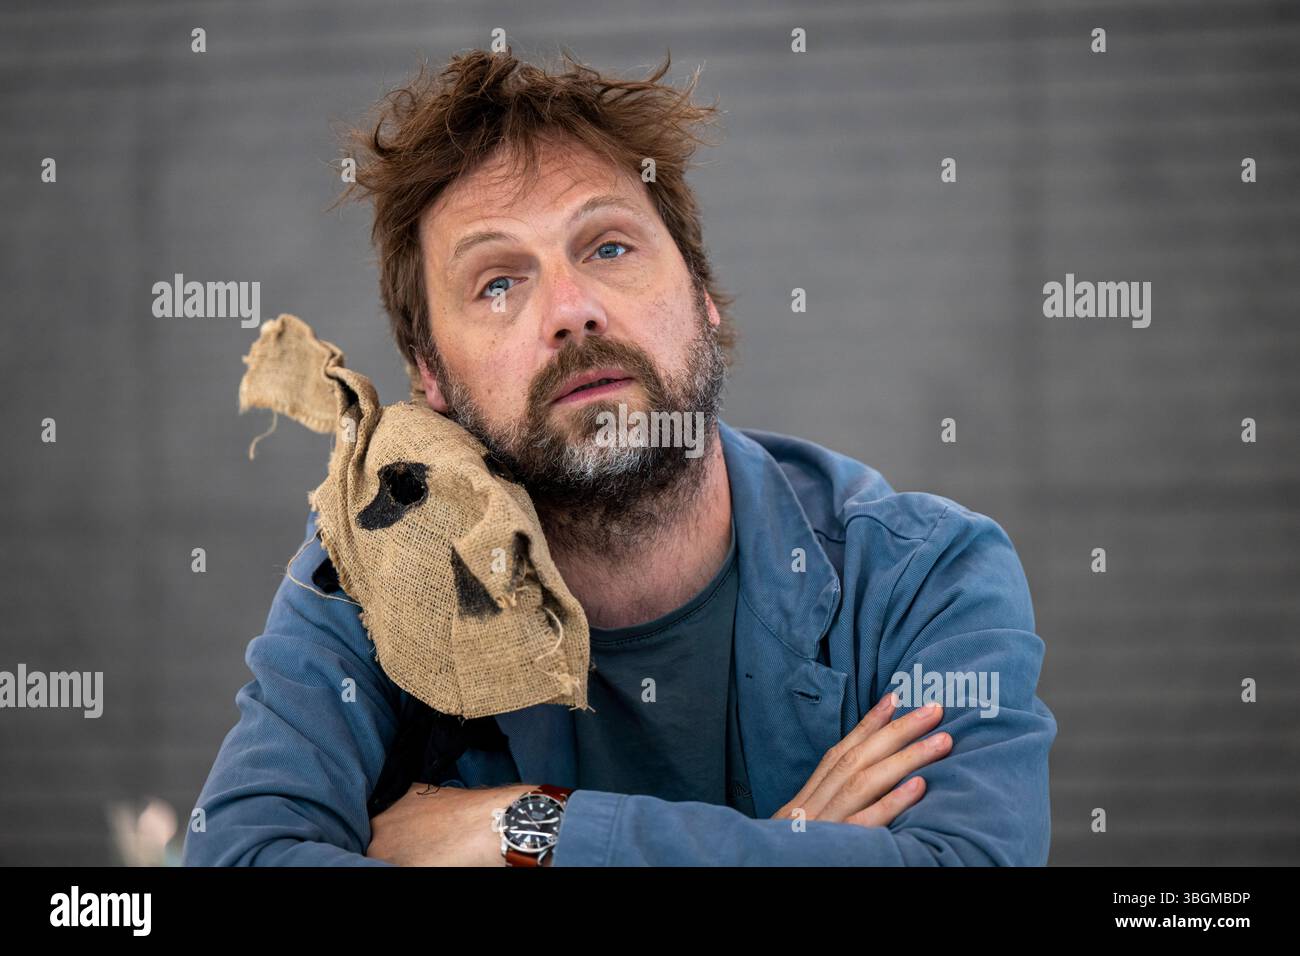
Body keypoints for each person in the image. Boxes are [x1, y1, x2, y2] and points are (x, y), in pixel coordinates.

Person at [183, 48, 1055, 867]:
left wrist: (533, 828)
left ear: (703, 295)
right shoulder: (379, 573)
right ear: (431, 379)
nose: (571, 309)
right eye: (498, 282)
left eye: (608, 247)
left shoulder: (925, 573)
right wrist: (792, 845)